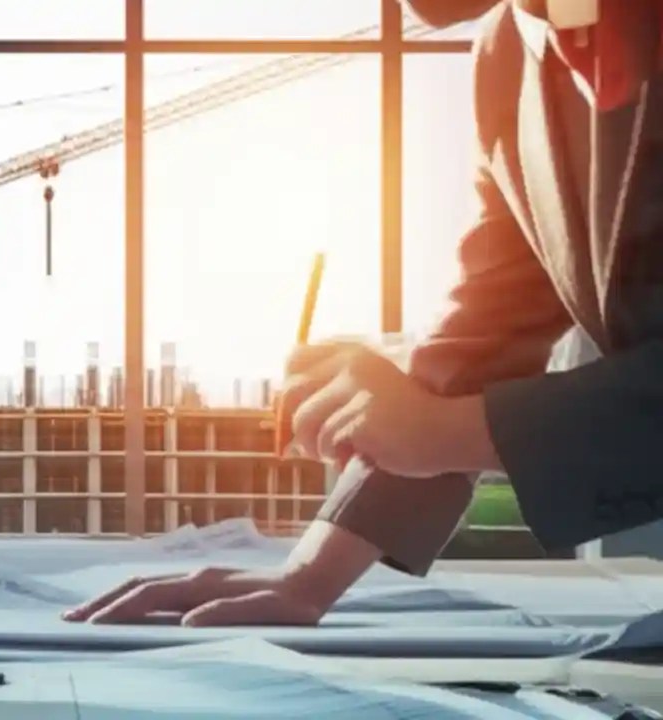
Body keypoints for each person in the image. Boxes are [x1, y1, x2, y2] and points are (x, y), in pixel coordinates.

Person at [63, 0, 663, 627]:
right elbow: (489, 332)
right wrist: (308, 579)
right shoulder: (508, 55)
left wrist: (446, 433)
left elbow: (445, 419)